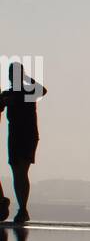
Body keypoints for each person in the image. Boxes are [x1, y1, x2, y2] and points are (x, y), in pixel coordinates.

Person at [0, 64, 47, 224]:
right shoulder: (8, 93)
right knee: (17, 173)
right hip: (14, 135)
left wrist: (27, 79)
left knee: (22, 171)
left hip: (27, 135)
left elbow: (42, 91)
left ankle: (23, 209)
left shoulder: (29, 92)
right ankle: (22, 209)